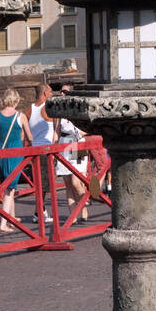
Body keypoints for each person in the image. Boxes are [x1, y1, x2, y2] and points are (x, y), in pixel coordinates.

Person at [0, 88, 33, 234]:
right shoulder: (20, 116)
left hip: (1, 154)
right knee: (10, 191)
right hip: (16, 155)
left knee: (8, 187)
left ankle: (11, 219)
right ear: (16, 101)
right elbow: (29, 136)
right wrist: (31, 148)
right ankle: (3, 223)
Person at [24, 83, 57, 226]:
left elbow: (22, 128)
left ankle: (40, 211)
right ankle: (39, 213)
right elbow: (57, 128)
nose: (52, 94)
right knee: (44, 185)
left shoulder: (29, 109)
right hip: (46, 150)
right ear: (44, 93)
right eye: (50, 91)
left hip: (34, 150)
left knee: (40, 184)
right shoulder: (48, 108)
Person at [55, 84, 88, 222]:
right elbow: (56, 131)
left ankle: (84, 205)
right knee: (68, 181)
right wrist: (54, 150)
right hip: (64, 143)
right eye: (61, 92)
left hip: (77, 142)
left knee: (76, 180)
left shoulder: (79, 108)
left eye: (65, 92)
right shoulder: (58, 111)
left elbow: (88, 128)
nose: (62, 94)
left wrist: (79, 133)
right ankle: (73, 215)